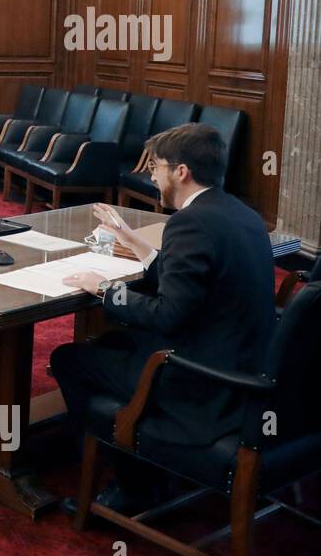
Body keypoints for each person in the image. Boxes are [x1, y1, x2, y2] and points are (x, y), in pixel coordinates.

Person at [53, 123, 276, 512]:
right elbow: (190, 282)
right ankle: (128, 458)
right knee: (109, 343)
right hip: (246, 368)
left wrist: (105, 289)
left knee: (69, 359)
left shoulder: (188, 223)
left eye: (155, 167)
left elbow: (167, 313)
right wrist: (131, 239)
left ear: (181, 171)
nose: (152, 176)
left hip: (202, 384)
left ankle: (133, 482)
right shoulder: (240, 213)